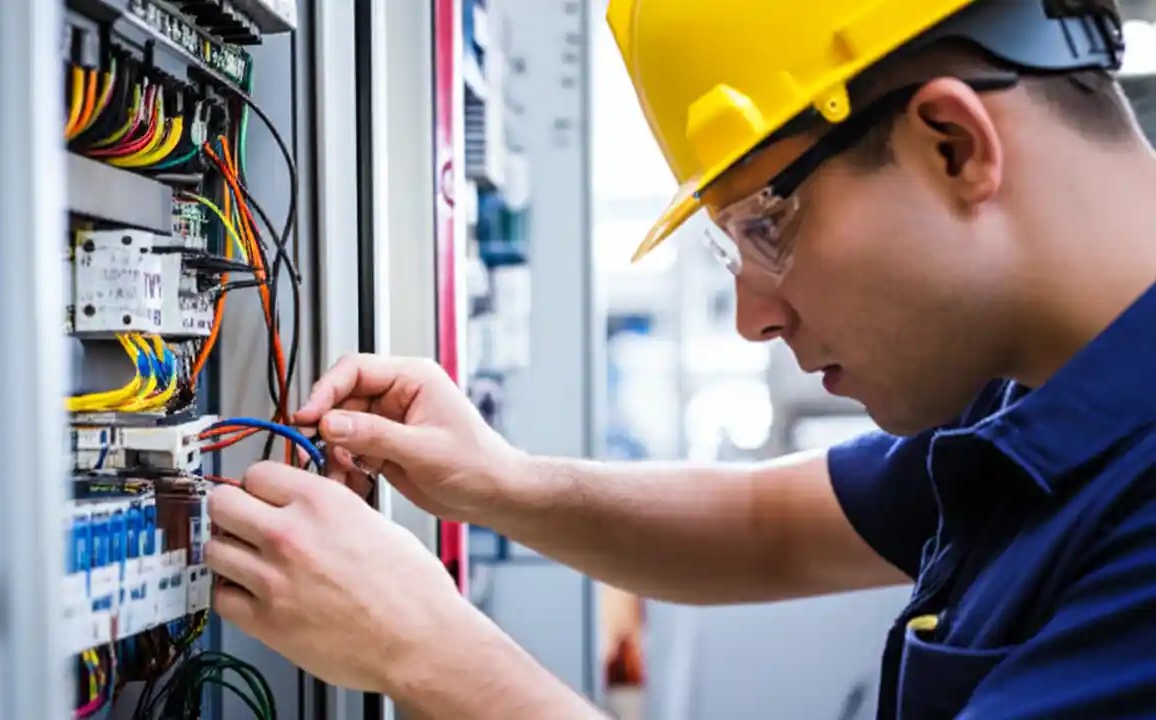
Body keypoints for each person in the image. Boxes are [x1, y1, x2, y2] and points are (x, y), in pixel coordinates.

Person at [202, 1, 1156, 717]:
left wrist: (424, 652)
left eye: (767, 228)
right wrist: (495, 481)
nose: (753, 317)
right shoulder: (1033, 394)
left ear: (953, 146)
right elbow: (770, 527)